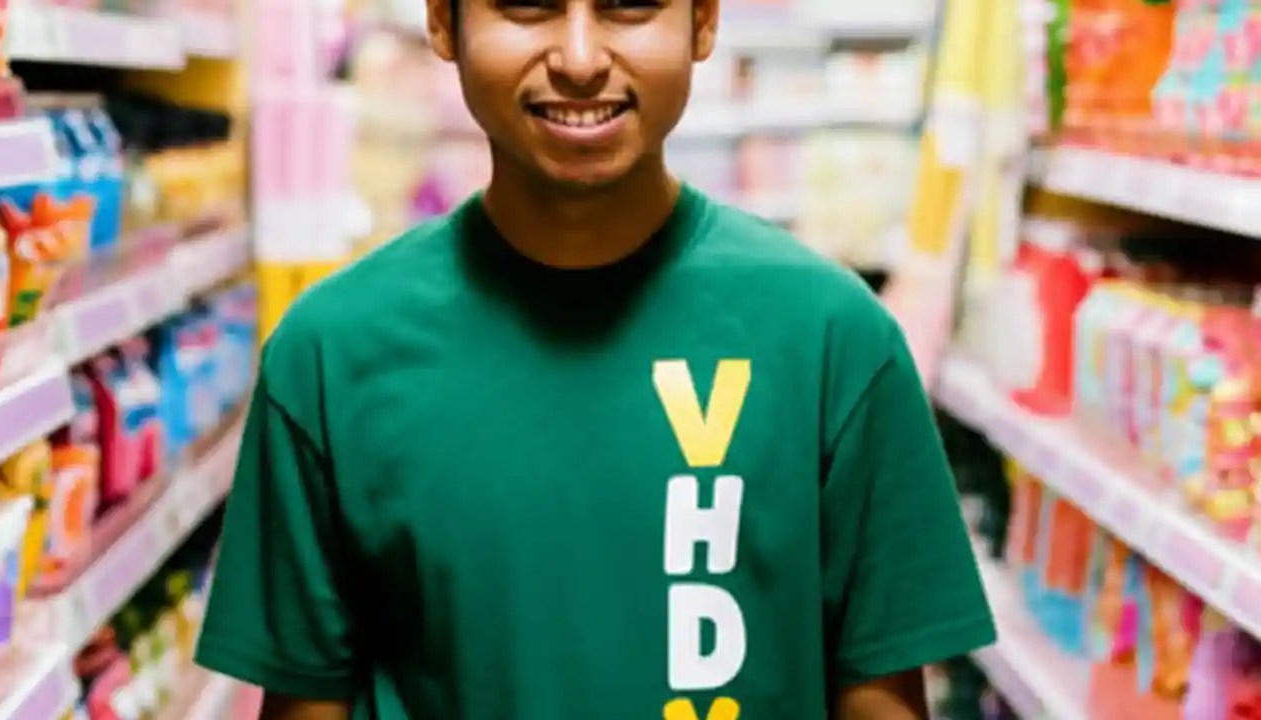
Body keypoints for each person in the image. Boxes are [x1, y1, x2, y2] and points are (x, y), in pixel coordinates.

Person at [193, 0, 997, 717]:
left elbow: (881, 697)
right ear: (443, 21)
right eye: (528, 6)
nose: (579, 58)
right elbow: (308, 698)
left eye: (629, 6)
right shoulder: (330, 354)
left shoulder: (834, 342)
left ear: (704, 21)